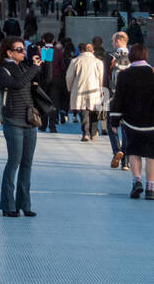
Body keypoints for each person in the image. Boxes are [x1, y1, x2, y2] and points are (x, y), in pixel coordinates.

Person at [0, 39, 42, 217]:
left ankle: (25, 204)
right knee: (14, 162)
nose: (24, 52)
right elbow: (16, 84)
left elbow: (31, 83)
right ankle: (8, 205)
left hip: (30, 120)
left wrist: (37, 67)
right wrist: (33, 69)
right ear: (9, 53)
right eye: (19, 50)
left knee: (27, 163)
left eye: (24, 49)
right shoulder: (3, 70)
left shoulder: (25, 67)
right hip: (13, 120)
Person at [110, 44, 154, 199]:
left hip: (131, 122)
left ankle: (137, 182)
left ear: (131, 57)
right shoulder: (153, 73)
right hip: (151, 123)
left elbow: (118, 99)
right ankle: (151, 187)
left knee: (134, 152)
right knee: (151, 155)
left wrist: (114, 121)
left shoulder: (124, 75)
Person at [66, 38, 105, 142]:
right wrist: (101, 90)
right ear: (92, 51)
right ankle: (93, 131)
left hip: (80, 89)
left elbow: (69, 77)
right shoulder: (99, 62)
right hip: (94, 89)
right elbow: (101, 78)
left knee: (83, 111)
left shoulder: (75, 61)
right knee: (94, 111)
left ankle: (85, 133)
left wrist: (70, 88)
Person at [106, 32, 131, 170]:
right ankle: (126, 162)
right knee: (126, 128)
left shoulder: (110, 57)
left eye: (112, 40)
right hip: (129, 99)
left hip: (113, 98)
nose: (112, 43)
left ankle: (117, 151)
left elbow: (106, 78)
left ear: (118, 41)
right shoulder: (133, 57)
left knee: (112, 126)